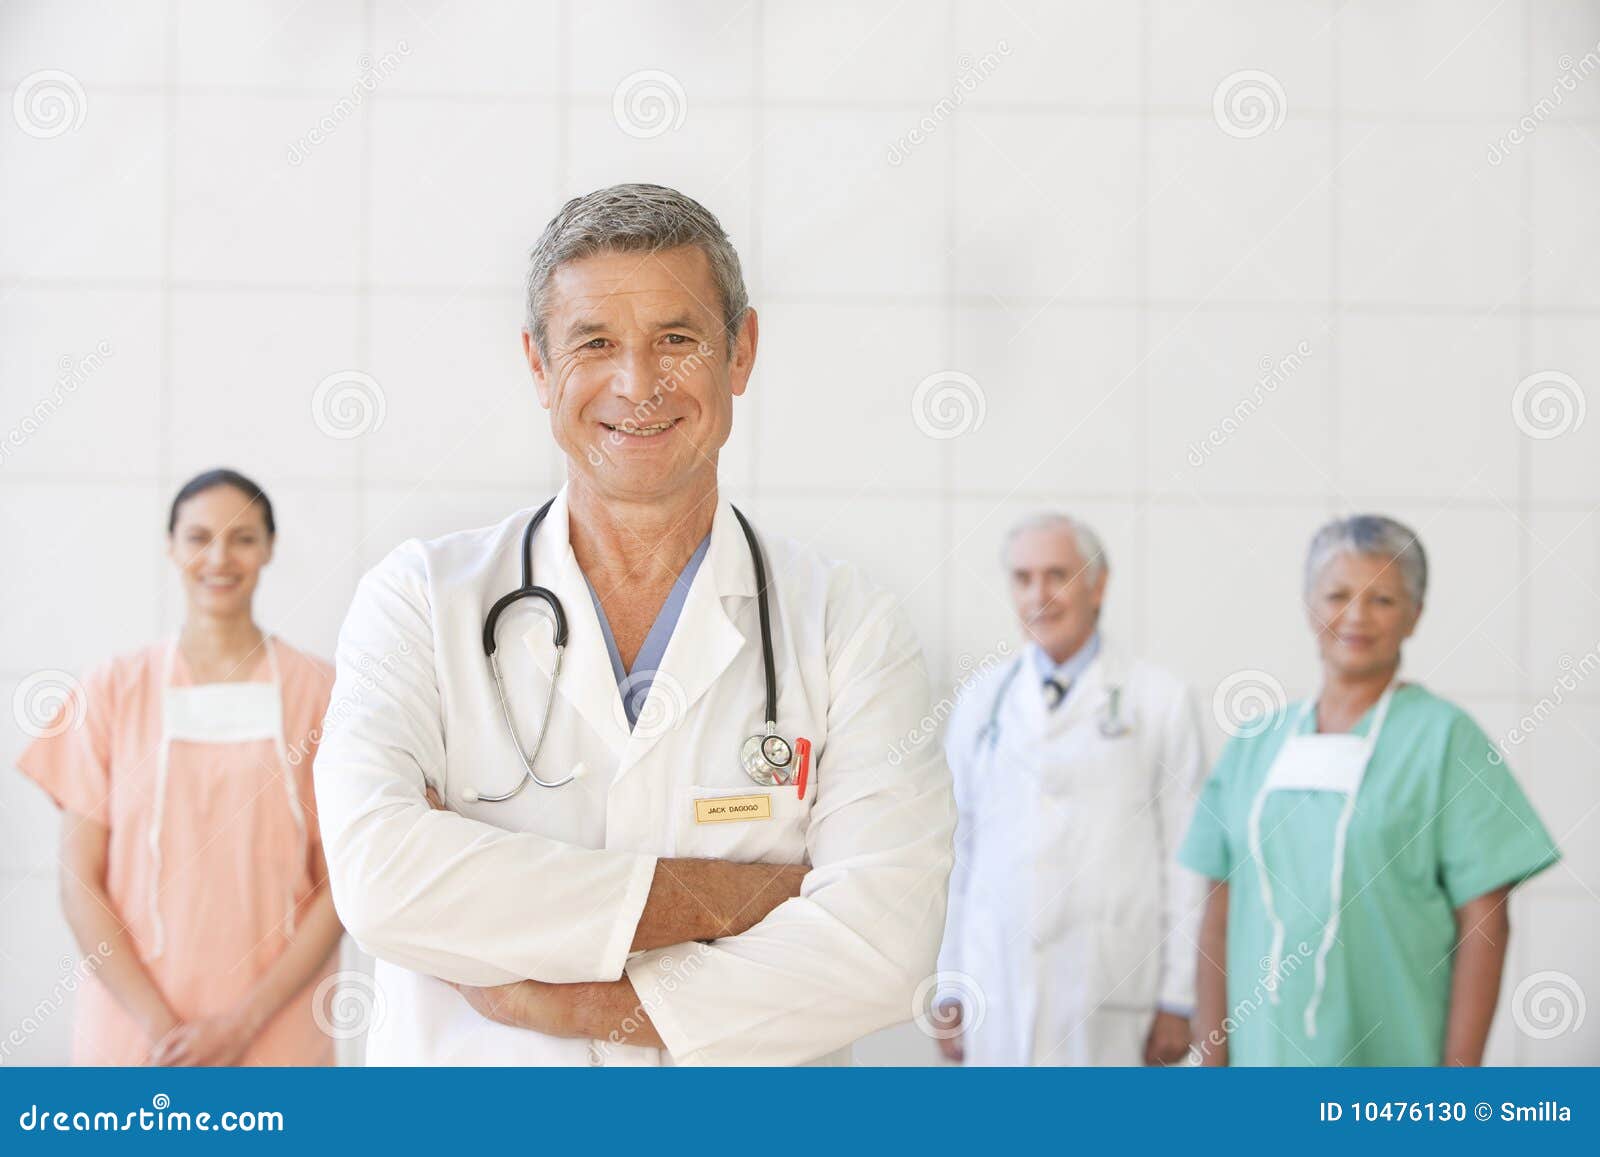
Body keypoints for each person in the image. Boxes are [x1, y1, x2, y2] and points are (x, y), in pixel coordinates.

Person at [313, 183, 956, 1066]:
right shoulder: (422, 602)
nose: (638, 384)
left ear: (742, 353)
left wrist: (579, 1004)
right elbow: (381, 879)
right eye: (596, 343)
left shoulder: (850, 627)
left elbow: (883, 949)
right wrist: (738, 897)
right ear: (540, 367)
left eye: (678, 339)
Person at [1181, 514, 1560, 1066]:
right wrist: (1210, 1062)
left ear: (1415, 615)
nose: (1357, 616)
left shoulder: (1444, 739)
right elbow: (1217, 917)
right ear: (1310, 606)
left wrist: (1457, 1088)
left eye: (1383, 599)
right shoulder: (1254, 744)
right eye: (1337, 594)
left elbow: (1485, 924)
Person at [16, 469, 344, 1065]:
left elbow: (339, 885)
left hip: (278, 1031)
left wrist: (240, 1027)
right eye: (199, 537)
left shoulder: (321, 694)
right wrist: (162, 1029)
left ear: (269, 548)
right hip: (135, 1033)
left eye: (243, 537)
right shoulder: (111, 690)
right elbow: (78, 882)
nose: (220, 556)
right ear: (171, 547)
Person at [935, 513, 1206, 1065]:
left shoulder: (1159, 699)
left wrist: (1180, 997)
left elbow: (1188, 859)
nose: (1039, 594)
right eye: (1023, 577)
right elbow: (954, 852)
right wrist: (948, 983)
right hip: (996, 981)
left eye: (1058, 575)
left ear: (1097, 585)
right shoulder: (981, 701)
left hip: (1112, 986)